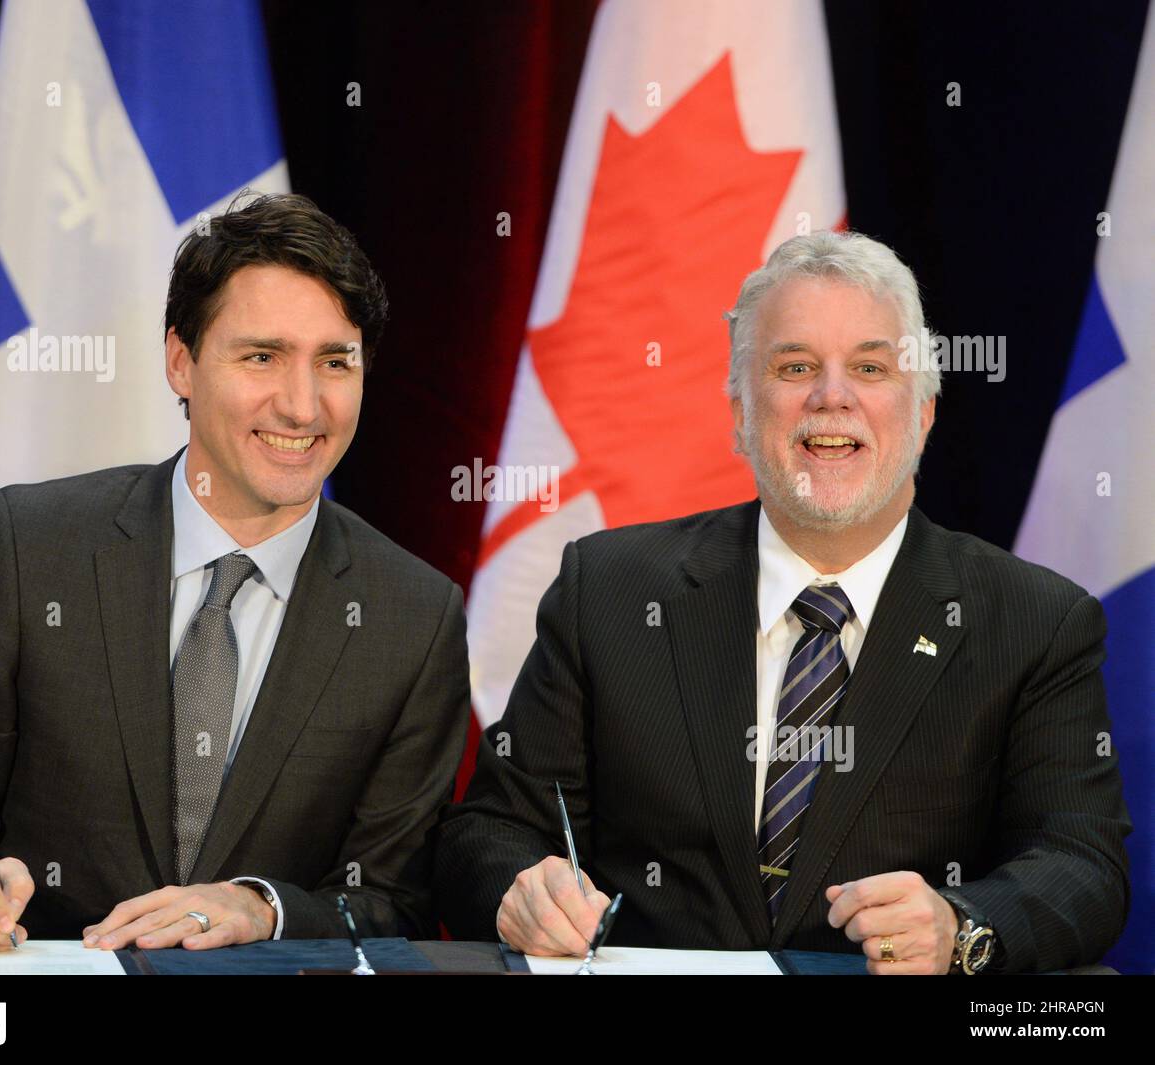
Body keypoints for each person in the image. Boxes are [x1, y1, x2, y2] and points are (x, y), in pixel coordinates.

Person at [436, 230, 1131, 974]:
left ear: (924, 415)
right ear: (739, 413)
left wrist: (961, 925)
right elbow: (492, 829)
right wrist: (522, 890)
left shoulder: (1034, 622)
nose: (832, 396)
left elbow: (1082, 864)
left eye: (869, 366)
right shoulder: (607, 589)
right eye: (795, 366)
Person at [0, 192, 470, 952]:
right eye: (262, 356)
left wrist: (264, 907)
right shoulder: (25, 547)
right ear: (181, 361)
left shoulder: (415, 614)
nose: (302, 403)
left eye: (334, 362)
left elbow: (393, 902)